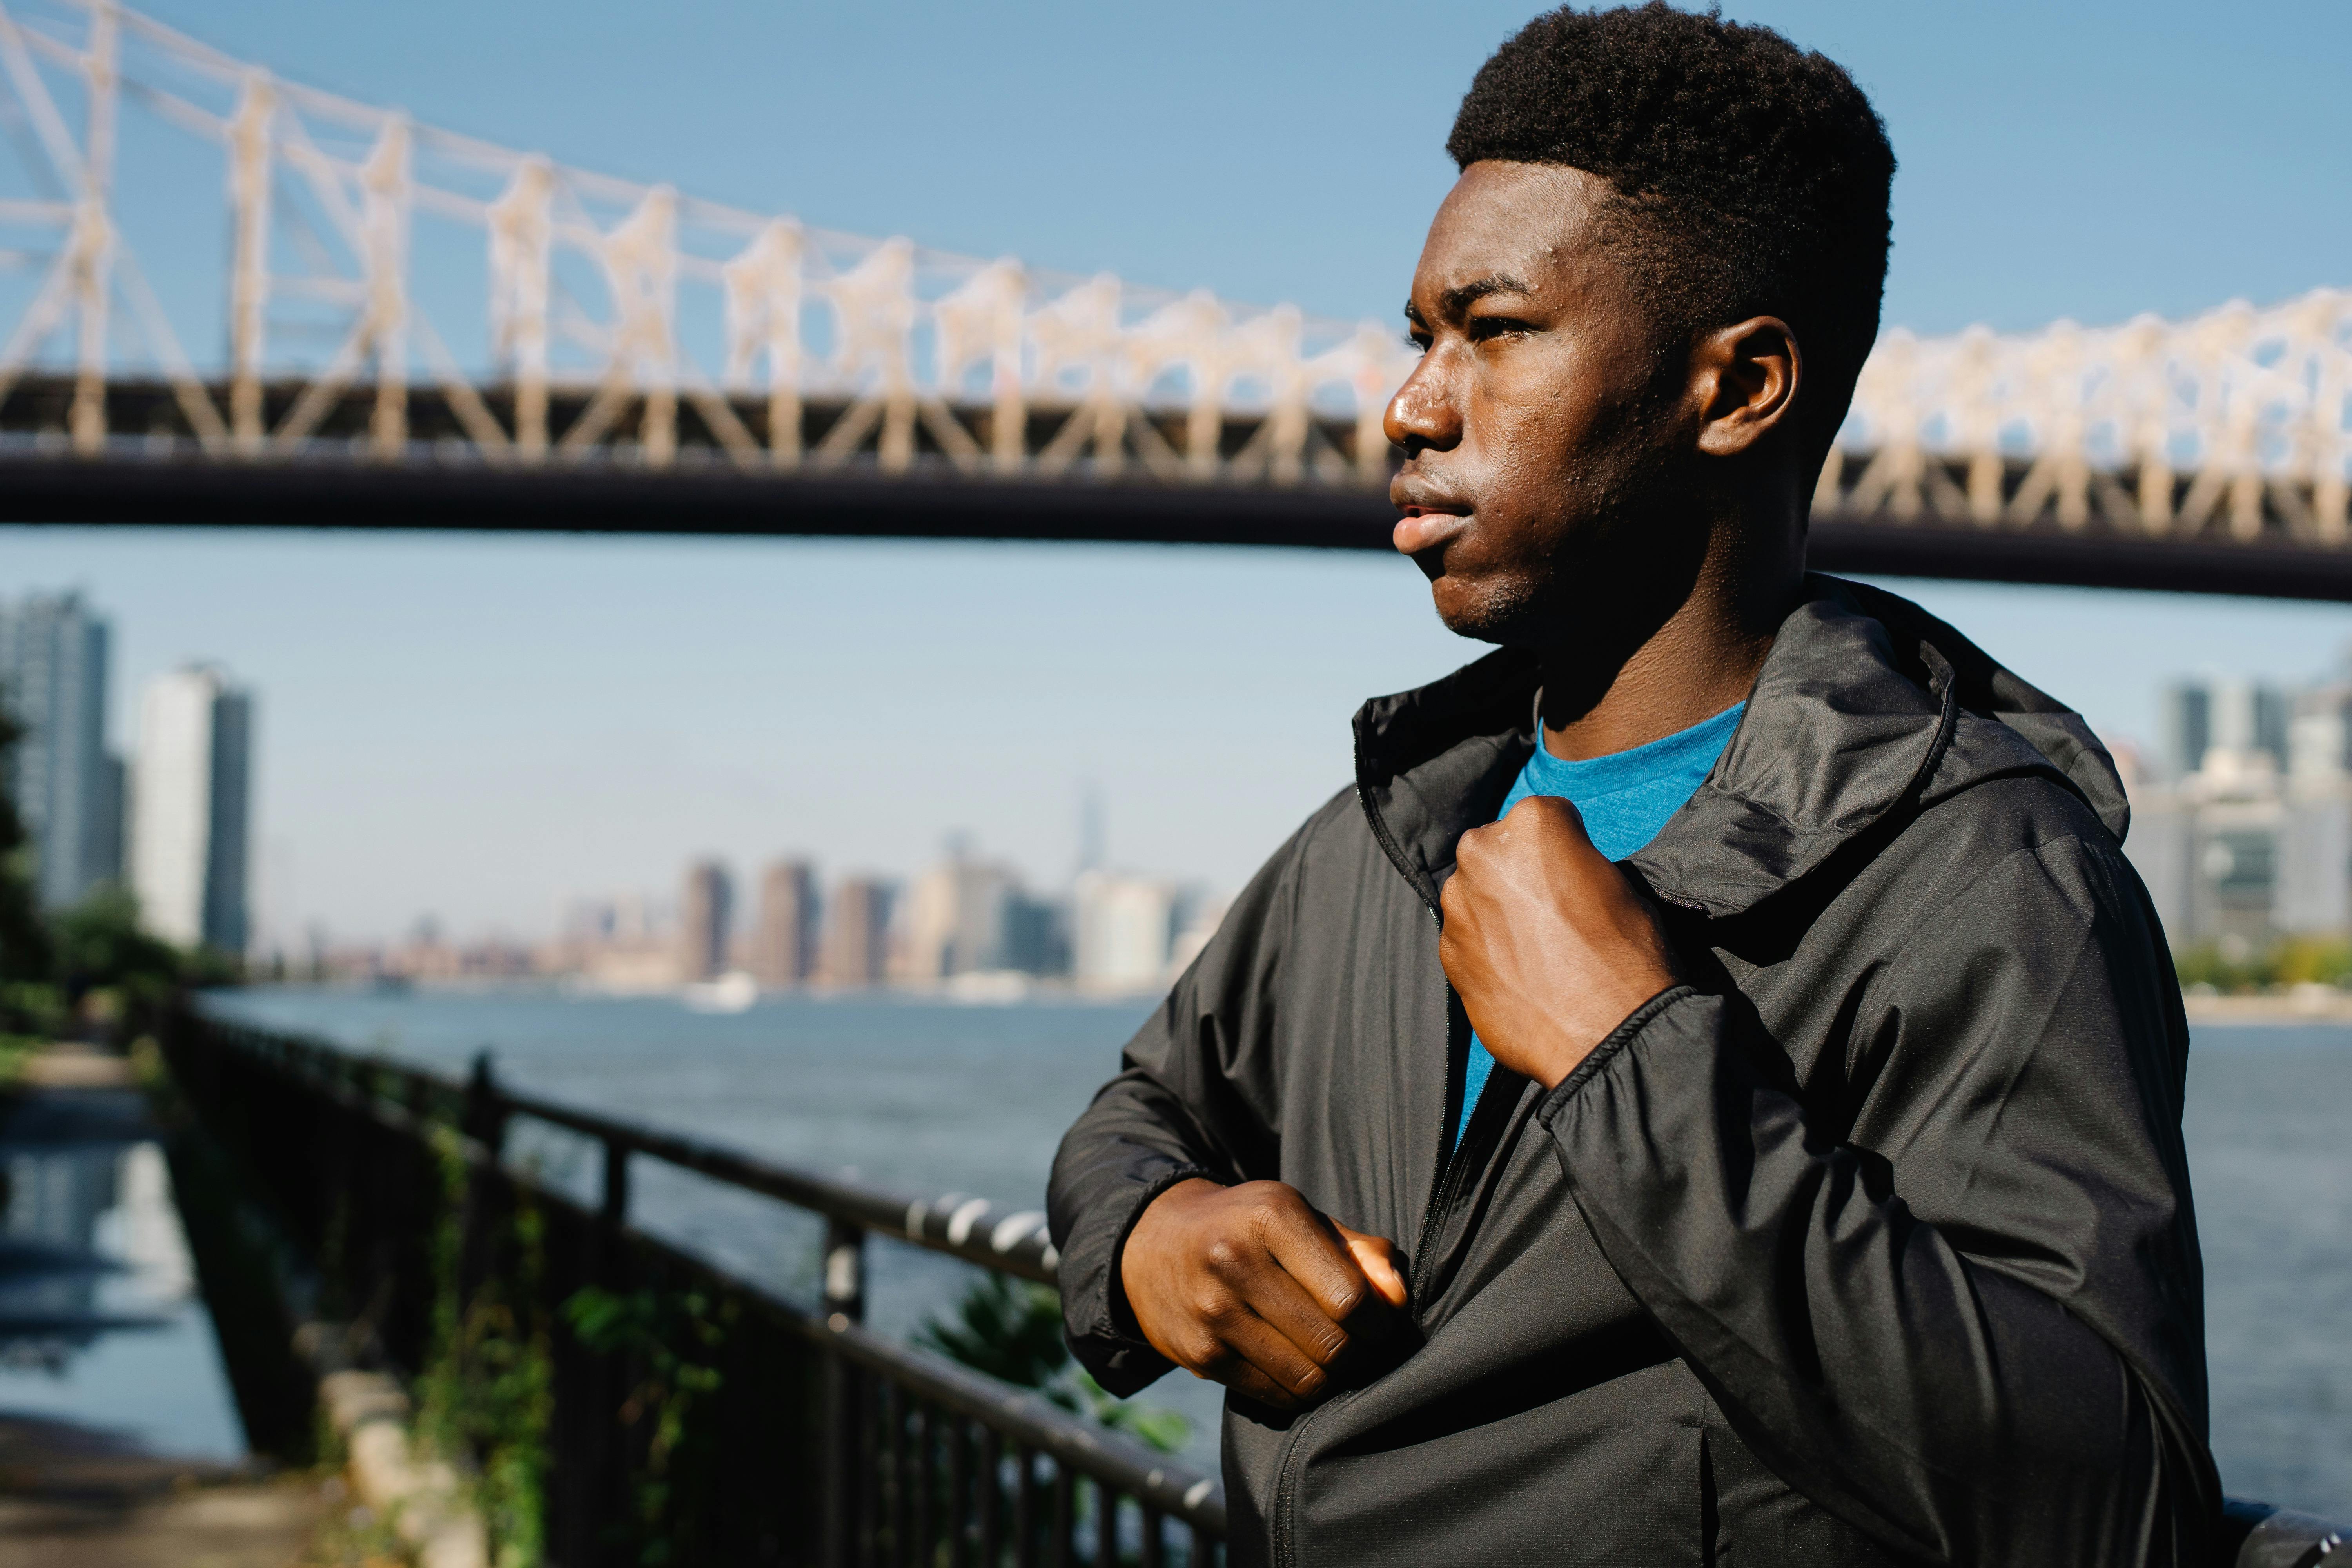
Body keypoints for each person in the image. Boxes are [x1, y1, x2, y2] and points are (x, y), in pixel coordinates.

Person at [1047, 5, 2219, 1565]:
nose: (1409, 404)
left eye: (1496, 328)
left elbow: (2115, 1505)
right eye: (1418, 336)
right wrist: (1148, 1239)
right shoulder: (1396, 824)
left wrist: (1635, 1056)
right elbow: (1140, 1113)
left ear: (1738, 390)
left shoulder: (1991, 876)